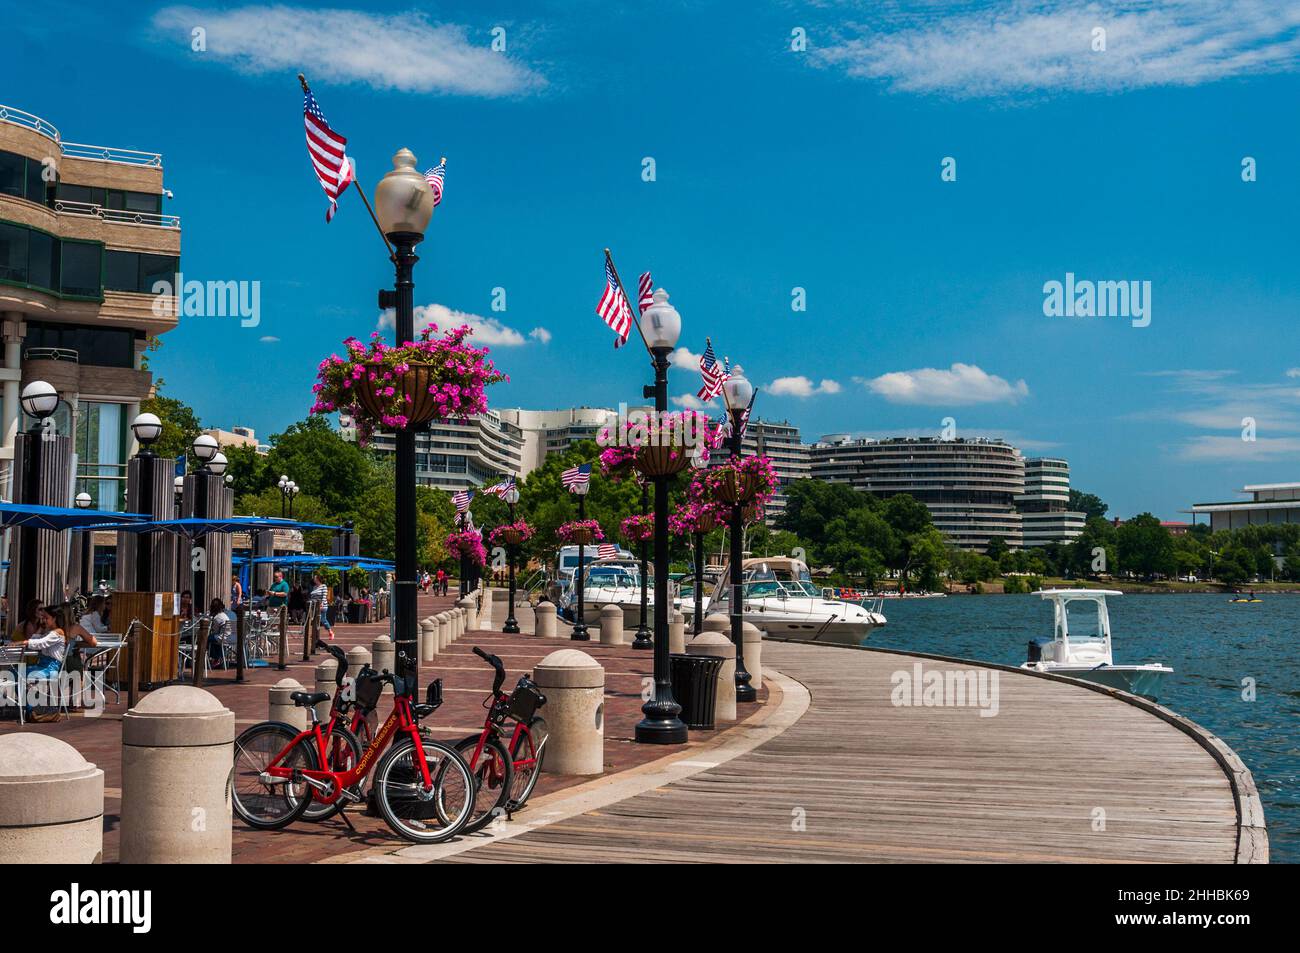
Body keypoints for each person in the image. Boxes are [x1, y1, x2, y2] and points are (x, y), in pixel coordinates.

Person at [207, 598, 232, 667]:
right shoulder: (224, 615)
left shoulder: (217, 618)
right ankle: (219, 657)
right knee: (213, 638)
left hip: (223, 638)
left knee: (208, 639)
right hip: (231, 638)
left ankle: (216, 658)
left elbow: (215, 631)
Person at [310, 574, 333, 640]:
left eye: (314, 578)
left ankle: (330, 632)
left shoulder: (324, 586)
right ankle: (315, 633)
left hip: (322, 606)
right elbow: (312, 596)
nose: (313, 579)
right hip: (314, 606)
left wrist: (321, 604)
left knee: (323, 620)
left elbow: (324, 596)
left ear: (318, 579)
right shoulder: (314, 587)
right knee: (314, 620)